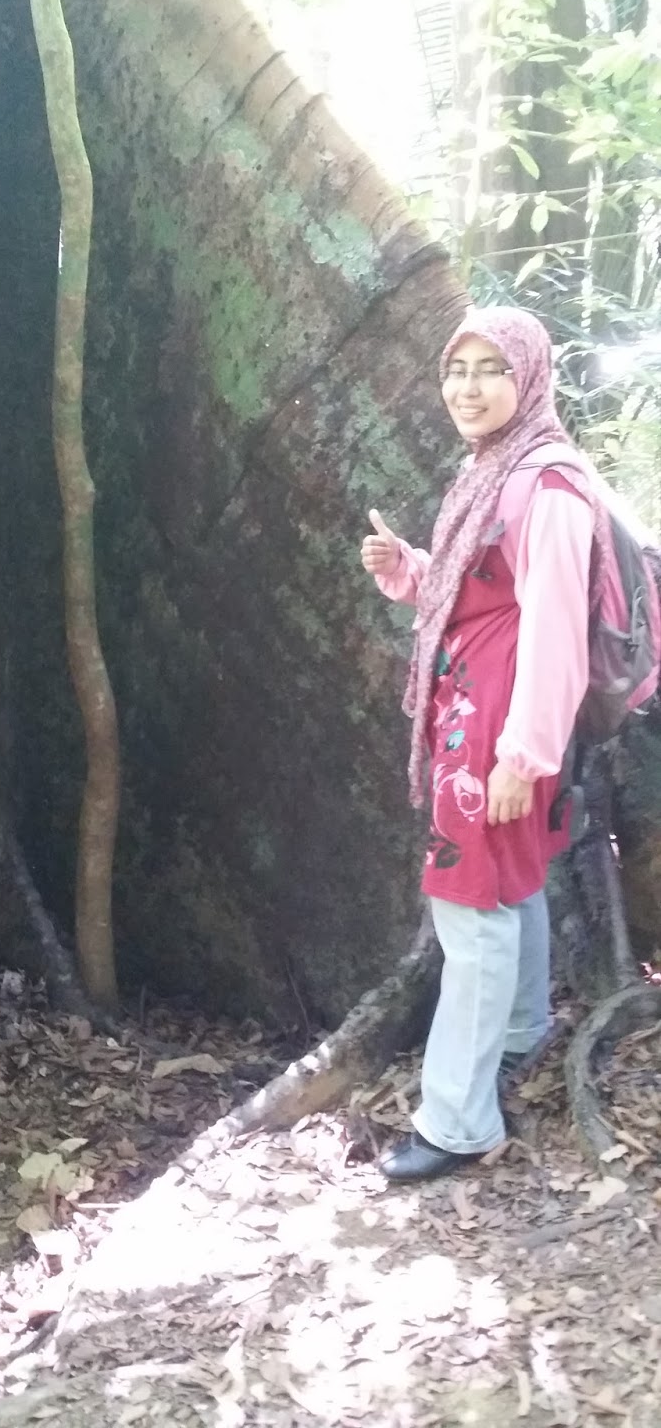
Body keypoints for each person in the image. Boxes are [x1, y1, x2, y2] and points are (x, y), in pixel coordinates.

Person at [360, 305, 614, 1184]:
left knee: (469, 911)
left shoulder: (547, 484)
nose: (467, 388)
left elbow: (552, 630)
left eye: (488, 369)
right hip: (480, 710)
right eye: (455, 369)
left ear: (530, 377)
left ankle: (461, 1122)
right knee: (512, 881)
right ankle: (520, 1031)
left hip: (500, 728)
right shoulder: (496, 471)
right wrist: (413, 572)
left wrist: (522, 755)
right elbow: (487, 590)